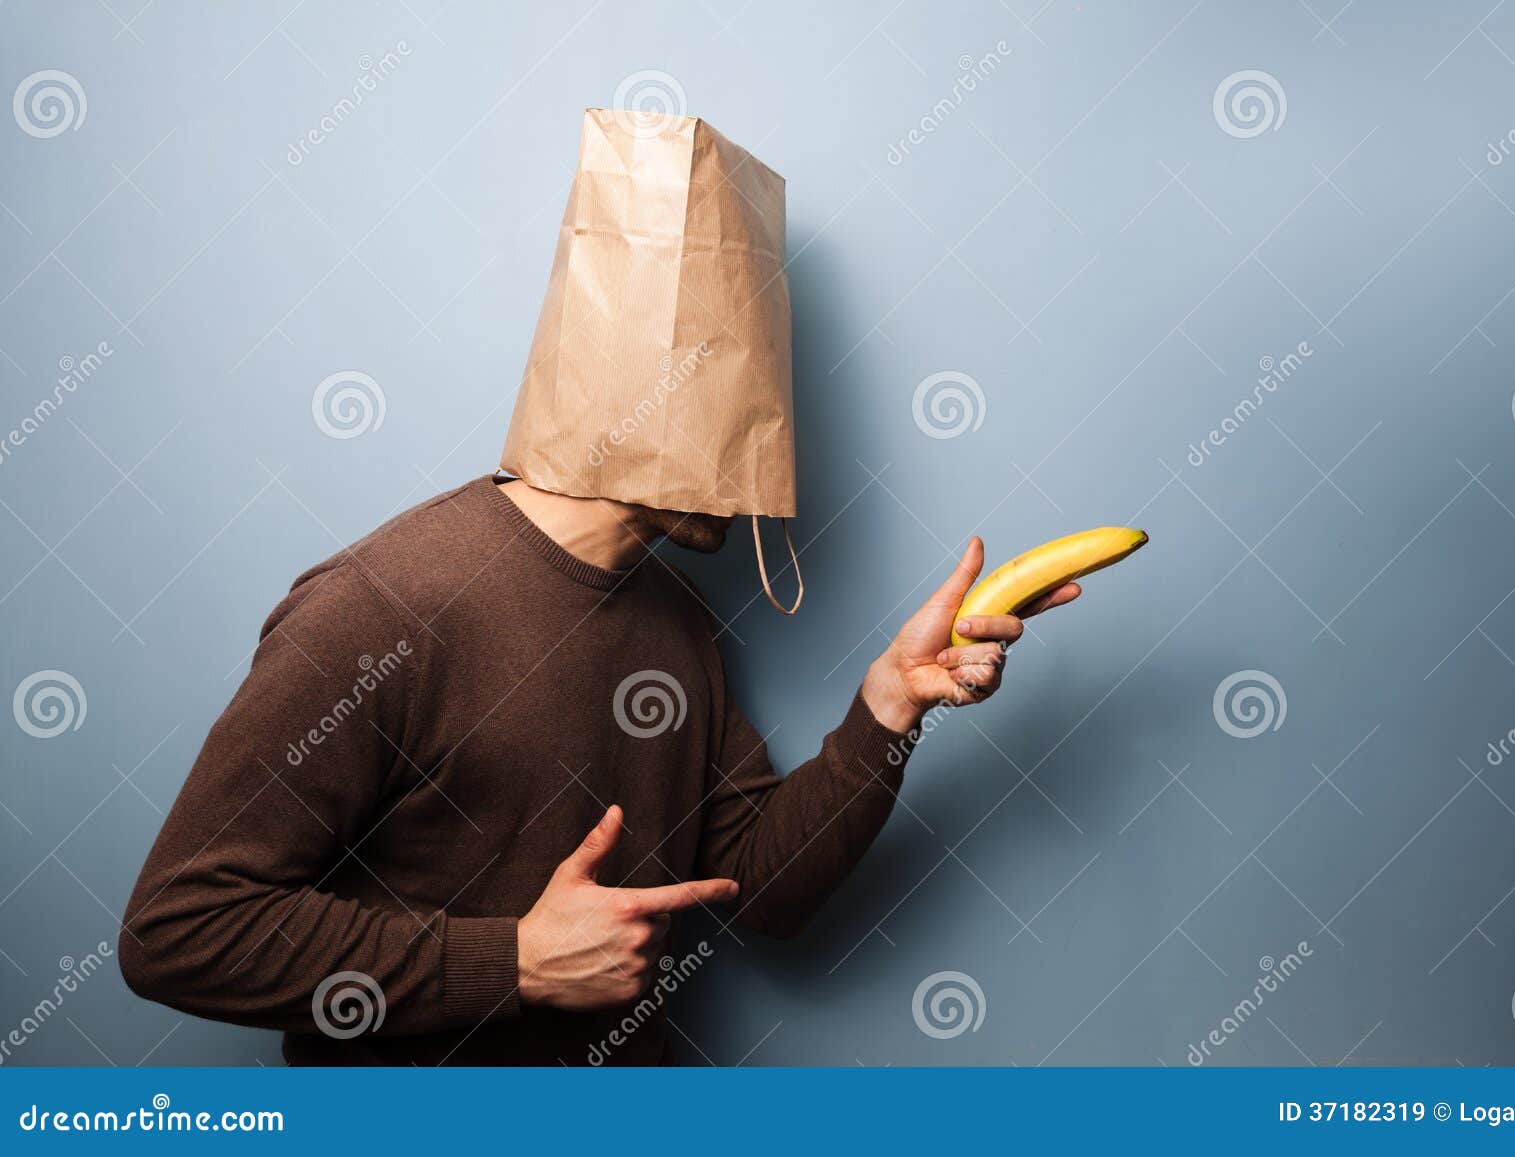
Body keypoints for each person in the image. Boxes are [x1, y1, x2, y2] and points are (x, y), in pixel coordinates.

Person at [118, 111, 1083, 1065]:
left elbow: (766, 894)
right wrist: (516, 964)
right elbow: (180, 930)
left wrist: (887, 708)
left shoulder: (680, 625)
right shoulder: (385, 603)